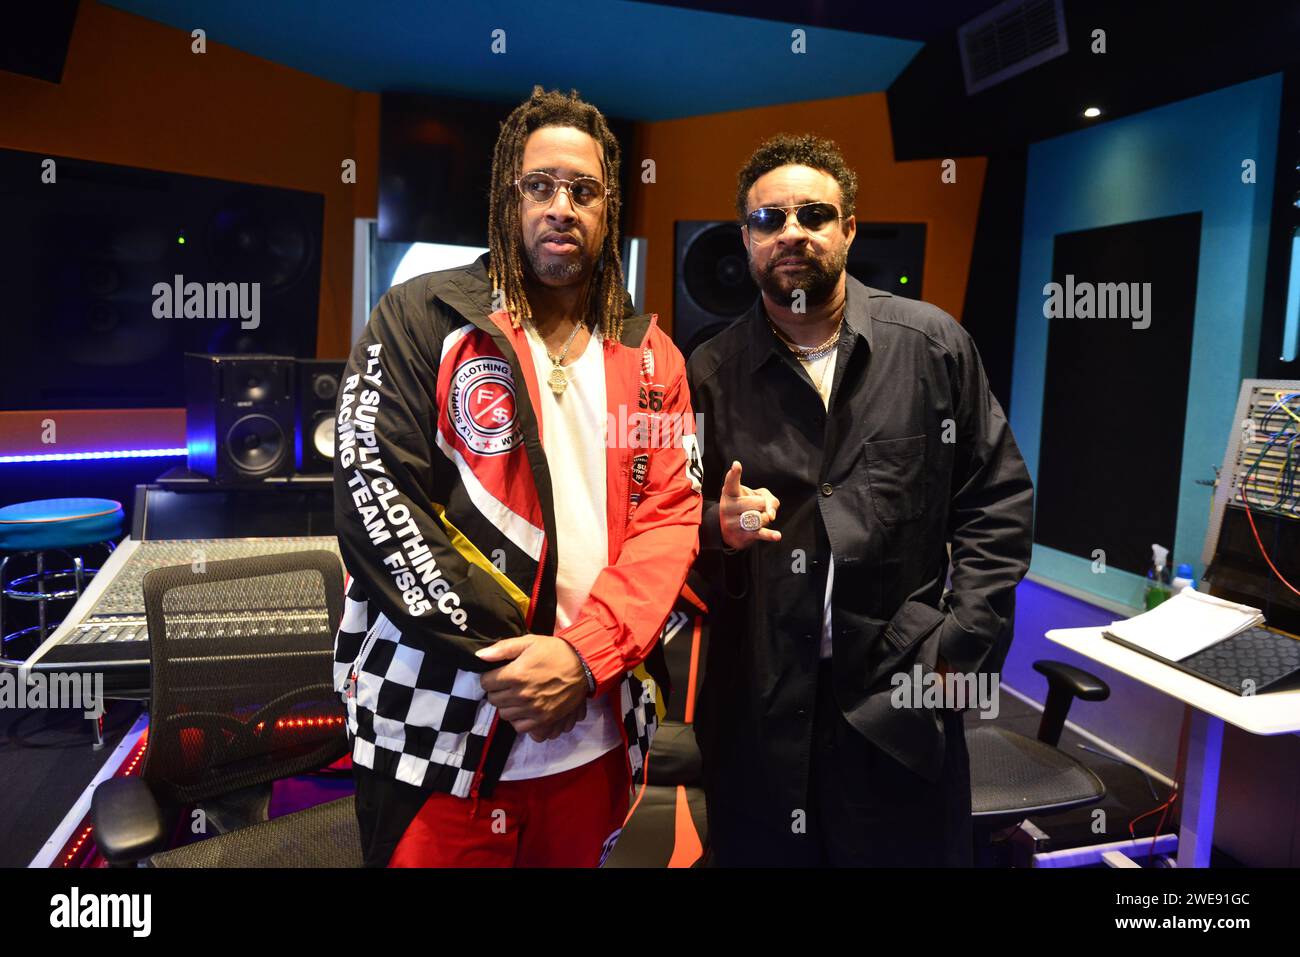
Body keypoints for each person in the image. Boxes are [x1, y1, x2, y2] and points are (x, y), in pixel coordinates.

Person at [332, 87, 701, 867]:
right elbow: (375, 500)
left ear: (610, 209)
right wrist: (516, 658)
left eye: (584, 190)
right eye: (540, 186)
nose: (561, 206)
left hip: (594, 732)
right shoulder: (419, 315)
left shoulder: (651, 355)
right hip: (437, 731)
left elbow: (669, 518)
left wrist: (581, 660)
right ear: (508, 199)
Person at [687, 133, 1034, 866]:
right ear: (745, 239)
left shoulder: (933, 347)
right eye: (767, 219)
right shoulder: (709, 372)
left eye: (813, 214)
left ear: (848, 227)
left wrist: (962, 646)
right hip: (758, 709)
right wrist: (713, 530)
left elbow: (995, 501)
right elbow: (664, 531)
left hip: (900, 701)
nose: (791, 233)